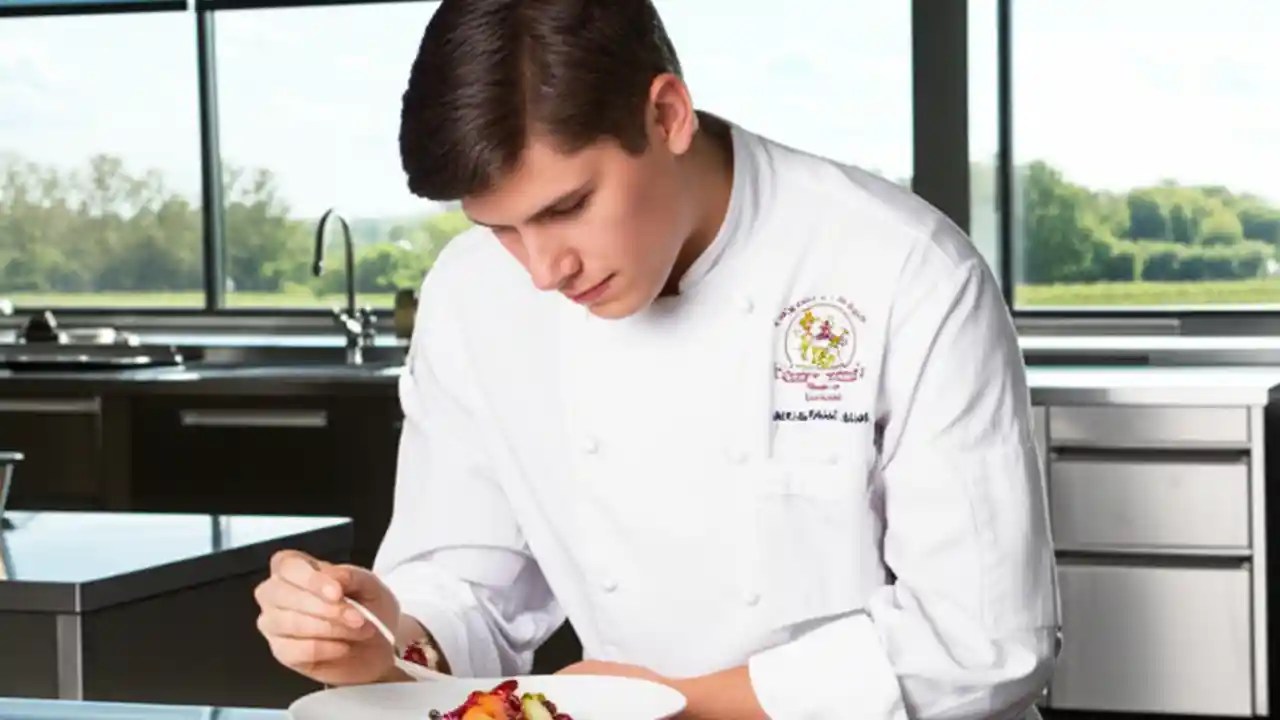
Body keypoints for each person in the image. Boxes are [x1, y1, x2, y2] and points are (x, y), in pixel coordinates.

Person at [253, 0, 1061, 717]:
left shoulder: (902, 267)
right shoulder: (472, 294)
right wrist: (385, 636)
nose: (543, 270)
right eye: (500, 228)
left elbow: (981, 641)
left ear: (667, 115)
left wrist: (664, 704)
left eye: (569, 207)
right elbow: (470, 585)